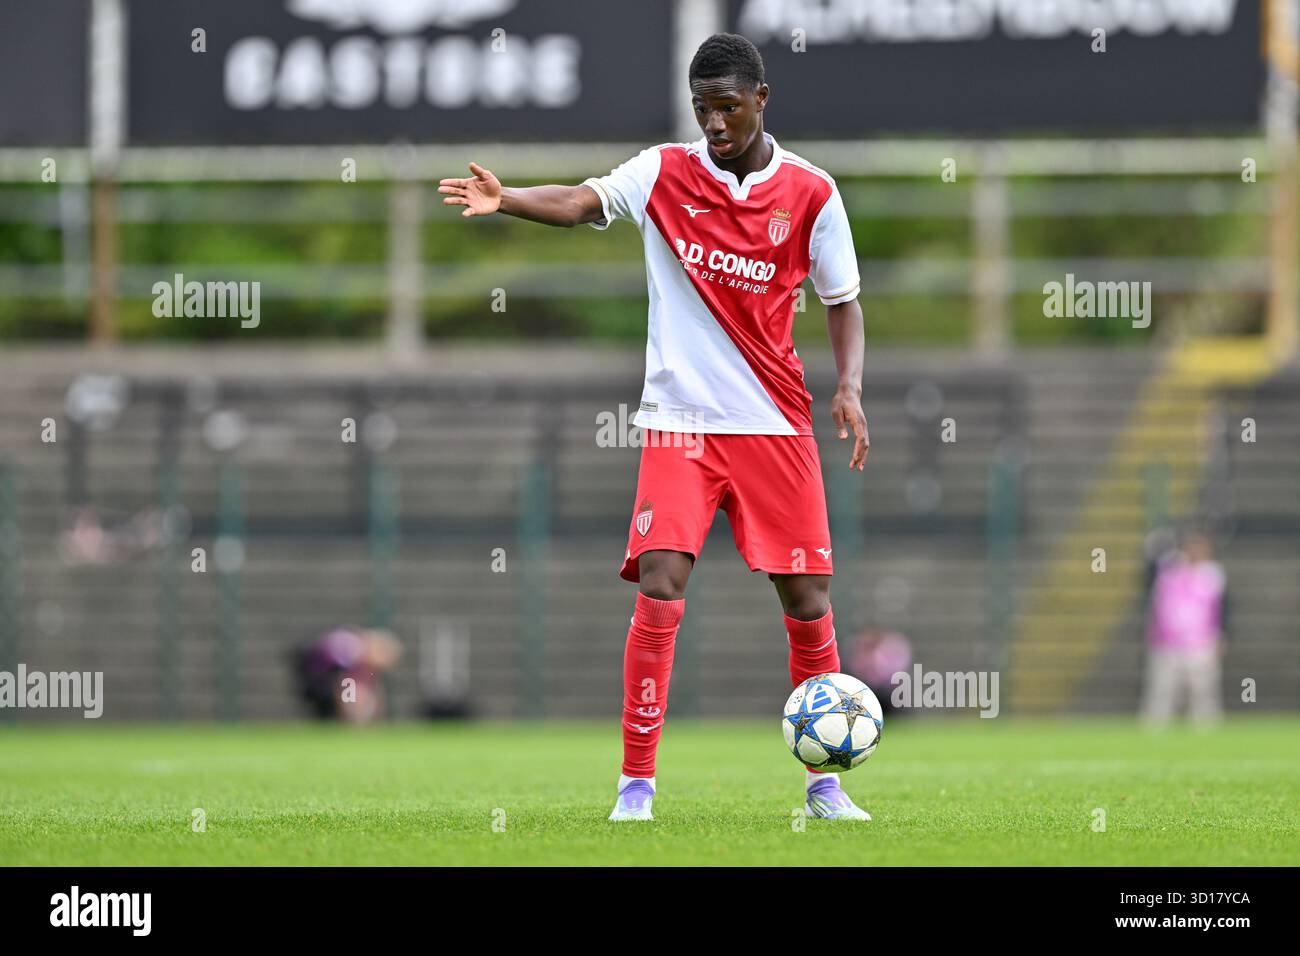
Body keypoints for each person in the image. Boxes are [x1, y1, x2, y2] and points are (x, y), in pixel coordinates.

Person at [439, 34, 869, 821]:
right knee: (662, 584)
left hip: (775, 424)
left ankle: (826, 785)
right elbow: (580, 202)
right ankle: (635, 787)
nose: (714, 124)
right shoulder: (664, 172)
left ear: (761, 100)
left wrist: (851, 389)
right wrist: (510, 201)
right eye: (702, 109)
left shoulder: (812, 192)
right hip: (680, 425)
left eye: (728, 108)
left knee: (807, 598)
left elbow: (842, 300)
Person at [1141, 531, 1228, 727]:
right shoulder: (1169, 572)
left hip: (1201, 641)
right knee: (1162, 691)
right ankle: (1156, 728)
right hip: (1168, 641)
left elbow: (1223, 608)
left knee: (1203, 691)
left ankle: (1206, 727)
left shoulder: (1212, 576)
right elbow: (1150, 578)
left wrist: (1221, 636)